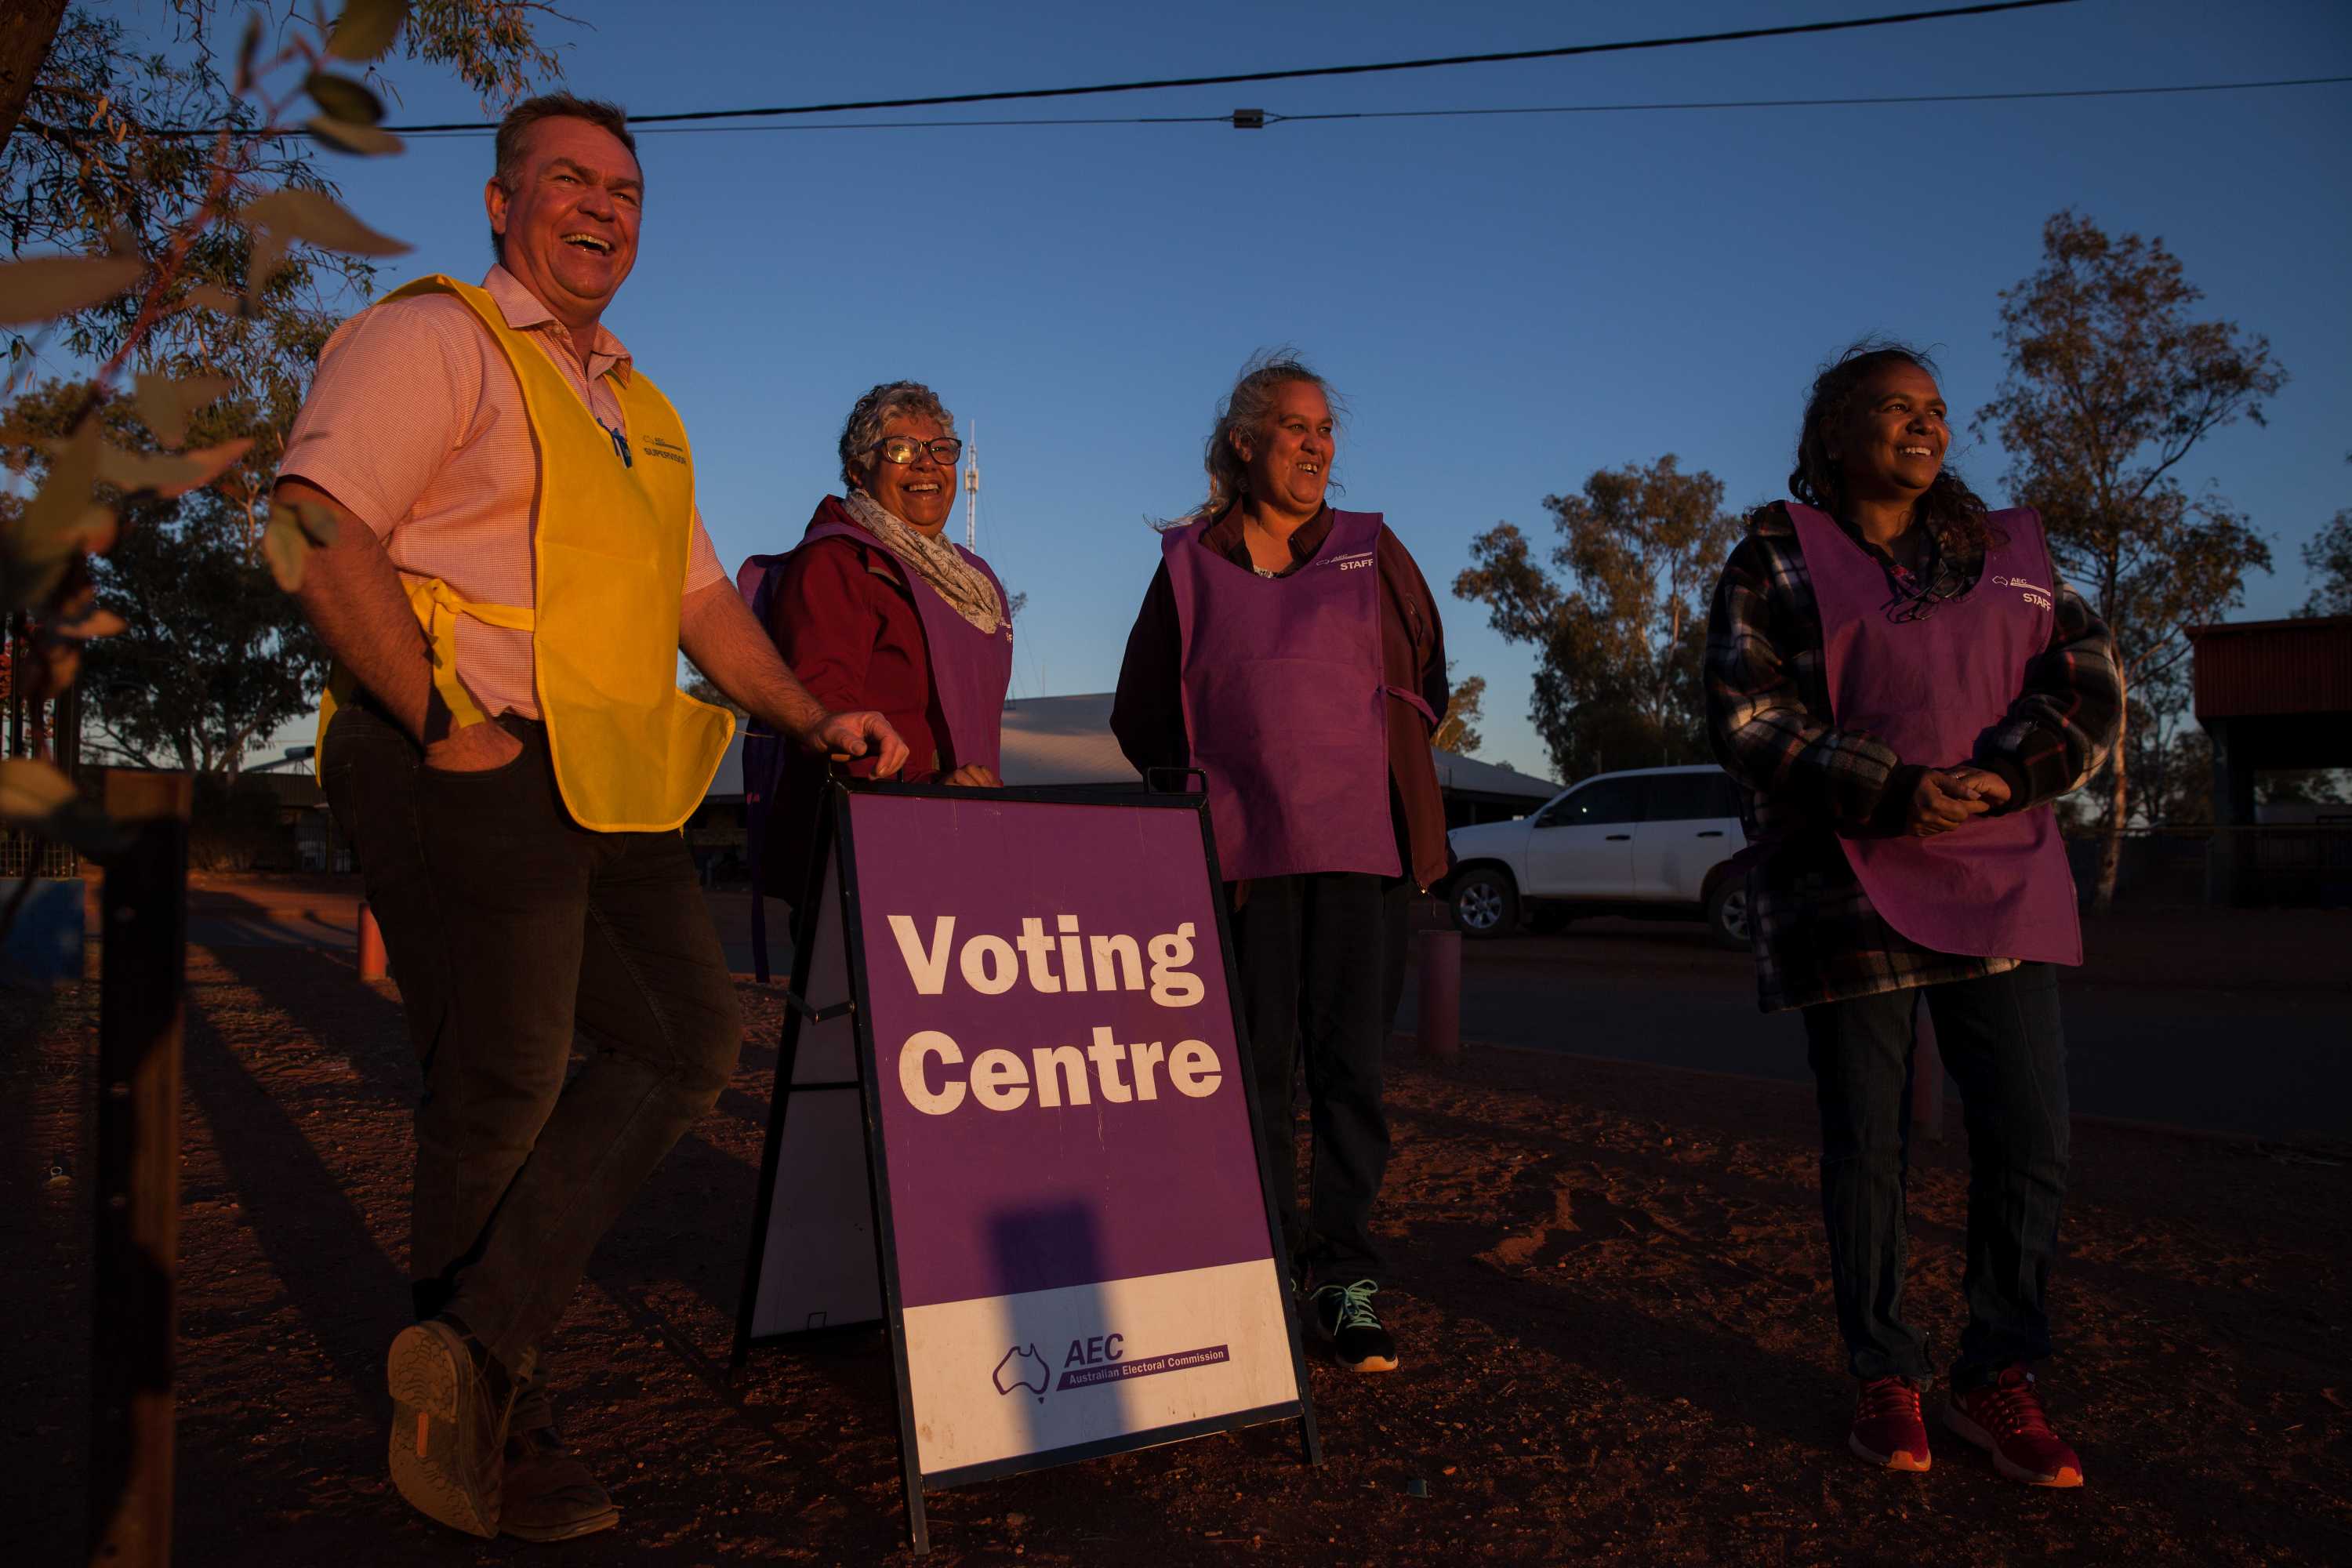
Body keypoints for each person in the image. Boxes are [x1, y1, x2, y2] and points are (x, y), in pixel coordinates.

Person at [280, 94, 905, 1542]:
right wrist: (448, 727)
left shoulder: (641, 407)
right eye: (566, 180)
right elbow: (316, 521)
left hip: (606, 774)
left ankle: (474, 1345)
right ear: (501, 205)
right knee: (501, 1080)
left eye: (625, 189)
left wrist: (809, 717)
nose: (601, 207)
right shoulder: (432, 338)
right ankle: (493, 1435)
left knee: (688, 1042)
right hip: (460, 748)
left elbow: (697, 605)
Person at [1704, 342, 2120, 1487]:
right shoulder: (1776, 558)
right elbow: (1747, 716)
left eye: (1935, 410)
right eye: (1894, 410)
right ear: (1835, 434)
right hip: (1846, 883)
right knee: (1870, 1147)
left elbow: (2081, 680)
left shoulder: (2008, 554)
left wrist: (2007, 773)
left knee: (2028, 1136)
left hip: (2001, 872)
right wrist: (1891, 788)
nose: (1923, 427)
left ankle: (2000, 1370)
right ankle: (1884, 1372)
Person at [1112, 354, 1448, 1374]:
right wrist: (1215, 780)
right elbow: (1139, 712)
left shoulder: (1373, 552)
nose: (1315, 445)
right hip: (1245, 864)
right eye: (1294, 428)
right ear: (1245, 442)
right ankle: (1259, 1269)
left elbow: (1427, 669)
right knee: (1252, 1075)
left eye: (1325, 430)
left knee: (1350, 1072)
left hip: (1362, 856)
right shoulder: (1186, 564)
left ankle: (1343, 1280)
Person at [739, 382, 1013, 970]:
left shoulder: (972, 584)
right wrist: (929, 786)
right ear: (858, 470)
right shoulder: (840, 563)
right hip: (868, 851)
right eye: (901, 451)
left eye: (941, 449)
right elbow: (824, 717)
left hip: (961, 844)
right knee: (876, 1045)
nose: (928, 467)